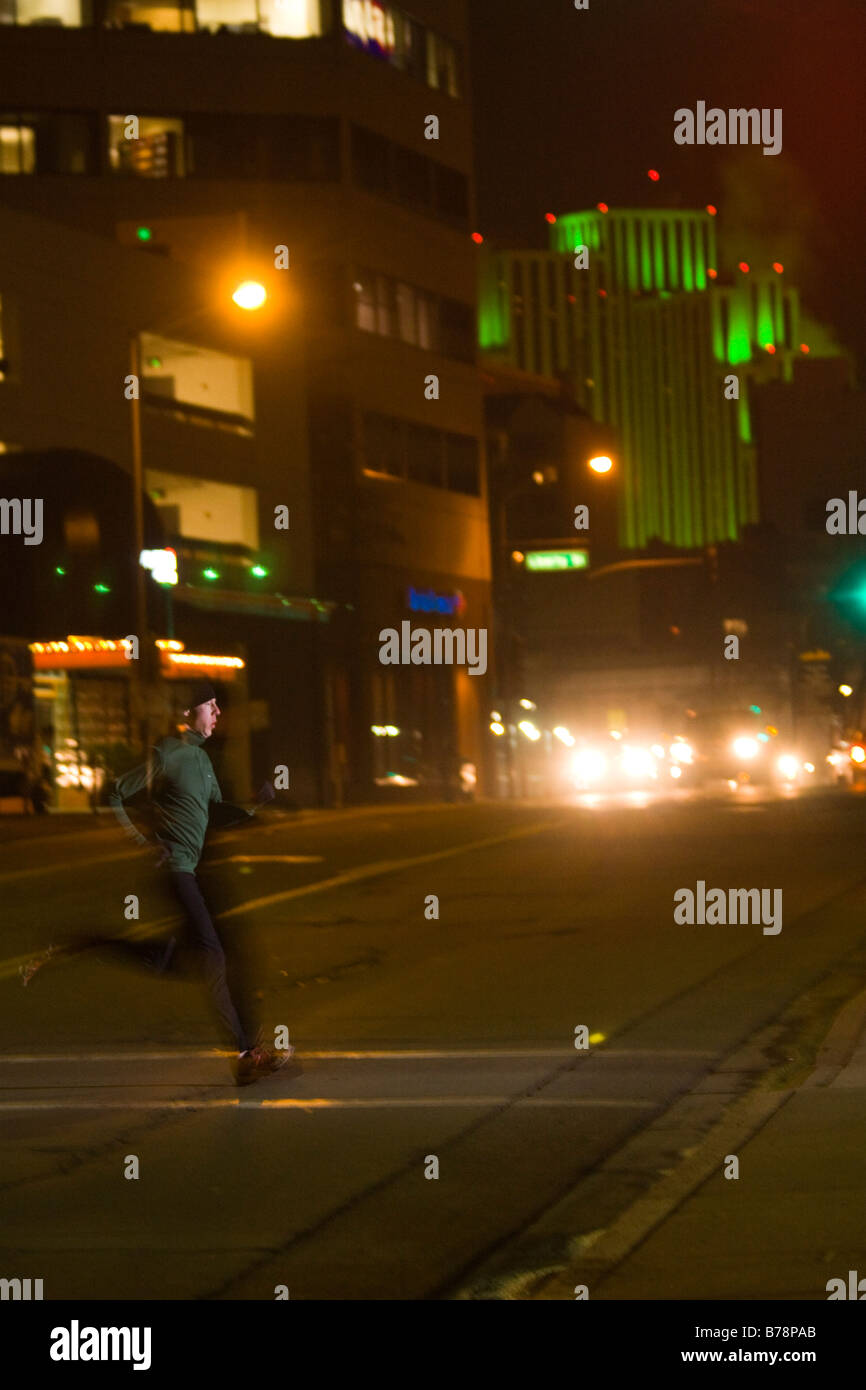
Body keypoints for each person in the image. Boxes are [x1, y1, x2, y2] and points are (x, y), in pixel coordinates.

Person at [22, 681, 297, 1089]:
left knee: (180, 960)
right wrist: (145, 841)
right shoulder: (167, 754)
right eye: (210, 706)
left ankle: (83, 944)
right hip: (178, 875)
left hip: (203, 874)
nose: (218, 713)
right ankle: (245, 1055)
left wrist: (258, 805)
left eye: (219, 706)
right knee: (216, 957)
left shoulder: (203, 761)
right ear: (190, 714)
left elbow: (215, 813)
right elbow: (115, 793)